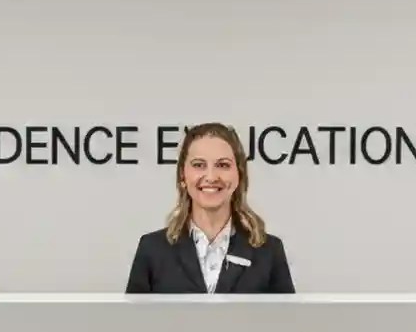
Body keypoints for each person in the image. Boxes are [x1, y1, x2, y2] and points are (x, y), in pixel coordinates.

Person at [125, 122, 295, 294]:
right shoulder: (152, 249)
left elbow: (286, 320)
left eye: (223, 165)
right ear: (183, 176)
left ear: (239, 175)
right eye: (199, 165)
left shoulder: (269, 251)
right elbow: (132, 320)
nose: (211, 177)